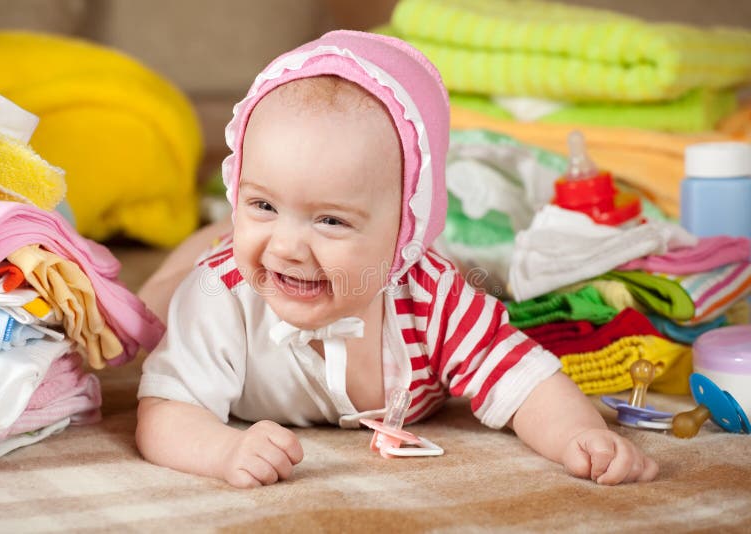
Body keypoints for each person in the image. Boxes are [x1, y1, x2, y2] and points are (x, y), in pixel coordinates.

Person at [135, 30, 658, 489]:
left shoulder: (433, 296)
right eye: (263, 204)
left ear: (405, 229)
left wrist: (583, 435)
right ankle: (213, 233)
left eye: (331, 220)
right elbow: (165, 413)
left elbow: (523, 378)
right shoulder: (222, 294)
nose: (287, 246)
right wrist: (223, 450)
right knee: (153, 311)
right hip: (215, 262)